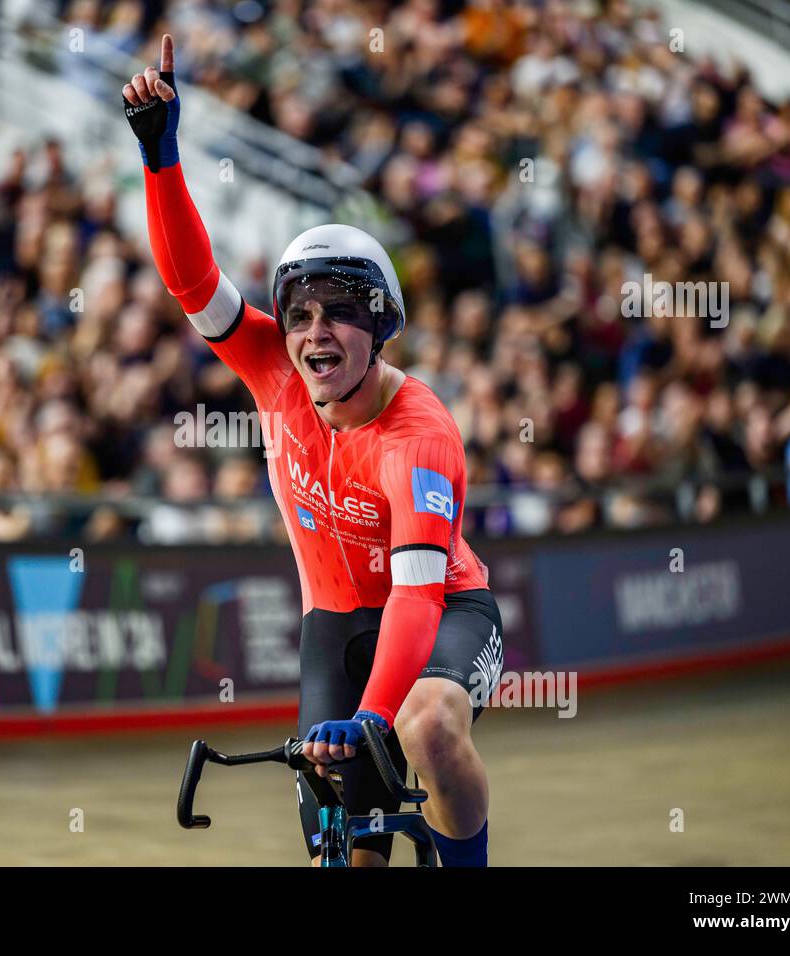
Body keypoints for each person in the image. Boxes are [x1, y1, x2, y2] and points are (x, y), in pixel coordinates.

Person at [123, 36, 503, 867]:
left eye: (338, 312)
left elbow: (414, 600)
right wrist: (161, 157)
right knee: (349, 853)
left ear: (380, 328)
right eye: (299, 314)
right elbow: (193, 285)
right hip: (333, 626)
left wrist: (371, 721)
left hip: (441, 611)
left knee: (426, 724)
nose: (314, 332)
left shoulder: (419, 436)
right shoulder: (271, 368)